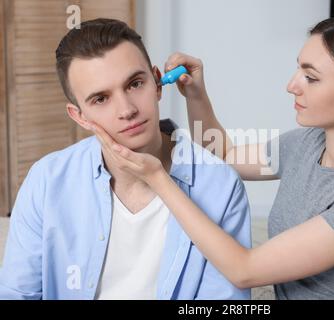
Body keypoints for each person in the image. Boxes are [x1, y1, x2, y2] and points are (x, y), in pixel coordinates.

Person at [91, 15, 334, 299]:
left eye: (310, 77)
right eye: (298, 69)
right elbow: (222, 155)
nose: (291, 84)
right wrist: (196, 94)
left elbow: (245, 271)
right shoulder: (309, 144)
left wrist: (158, 180)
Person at [0, 18, 251, 300]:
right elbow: (18, 294)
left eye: (135, 84)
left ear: (157, 84)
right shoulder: (46, 180)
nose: (127, 110)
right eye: (100, 99)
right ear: (79, 115)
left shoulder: (221, 186)